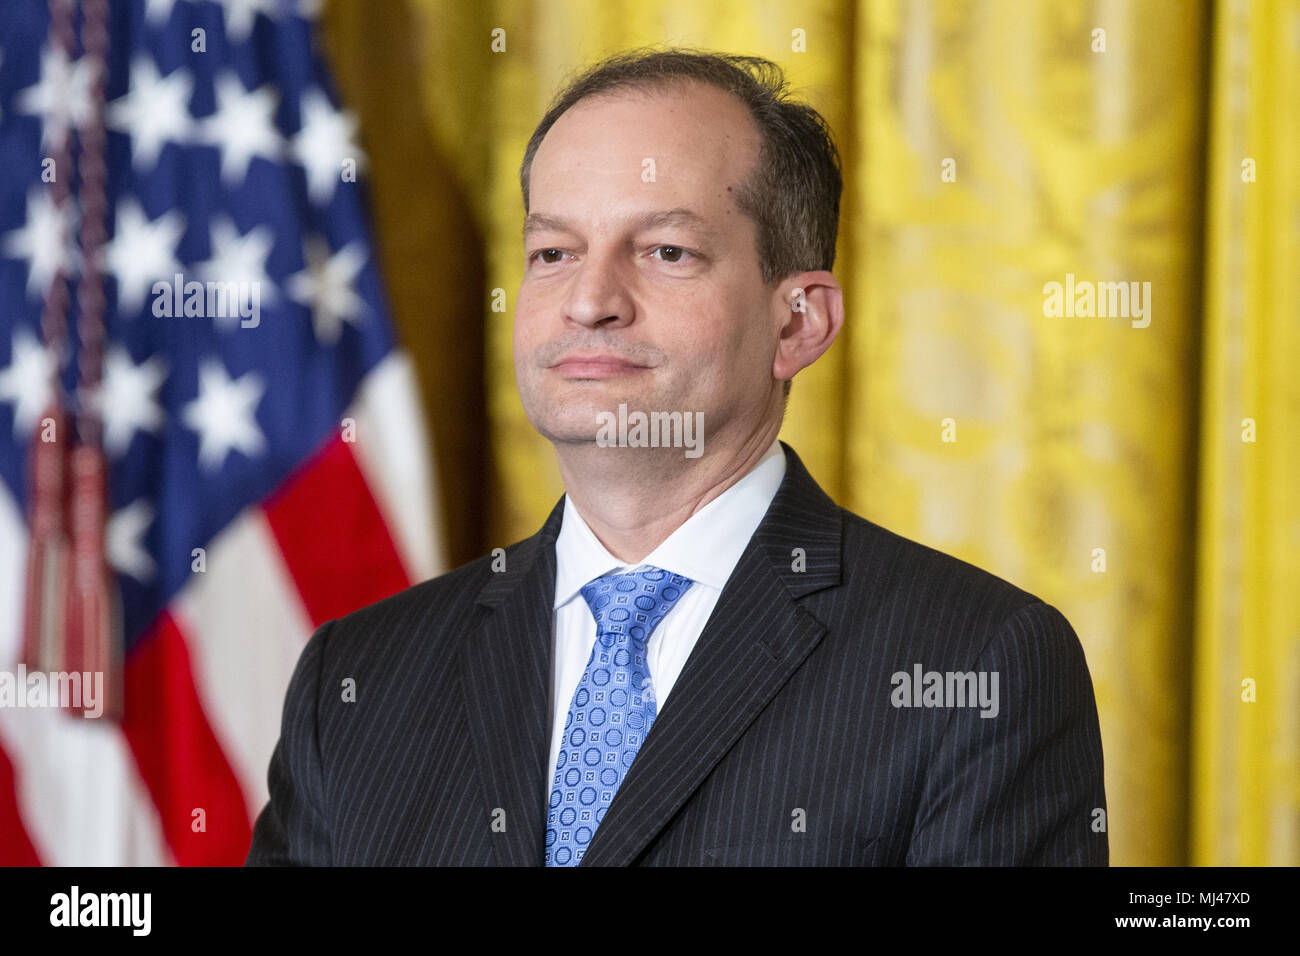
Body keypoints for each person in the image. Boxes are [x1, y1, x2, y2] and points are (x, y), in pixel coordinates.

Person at [246, 48, 1108, 867]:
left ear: (797, 322)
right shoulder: (355, 679)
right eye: (554, 253)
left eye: (666, 252)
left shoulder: (977, 663)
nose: (588, 300)